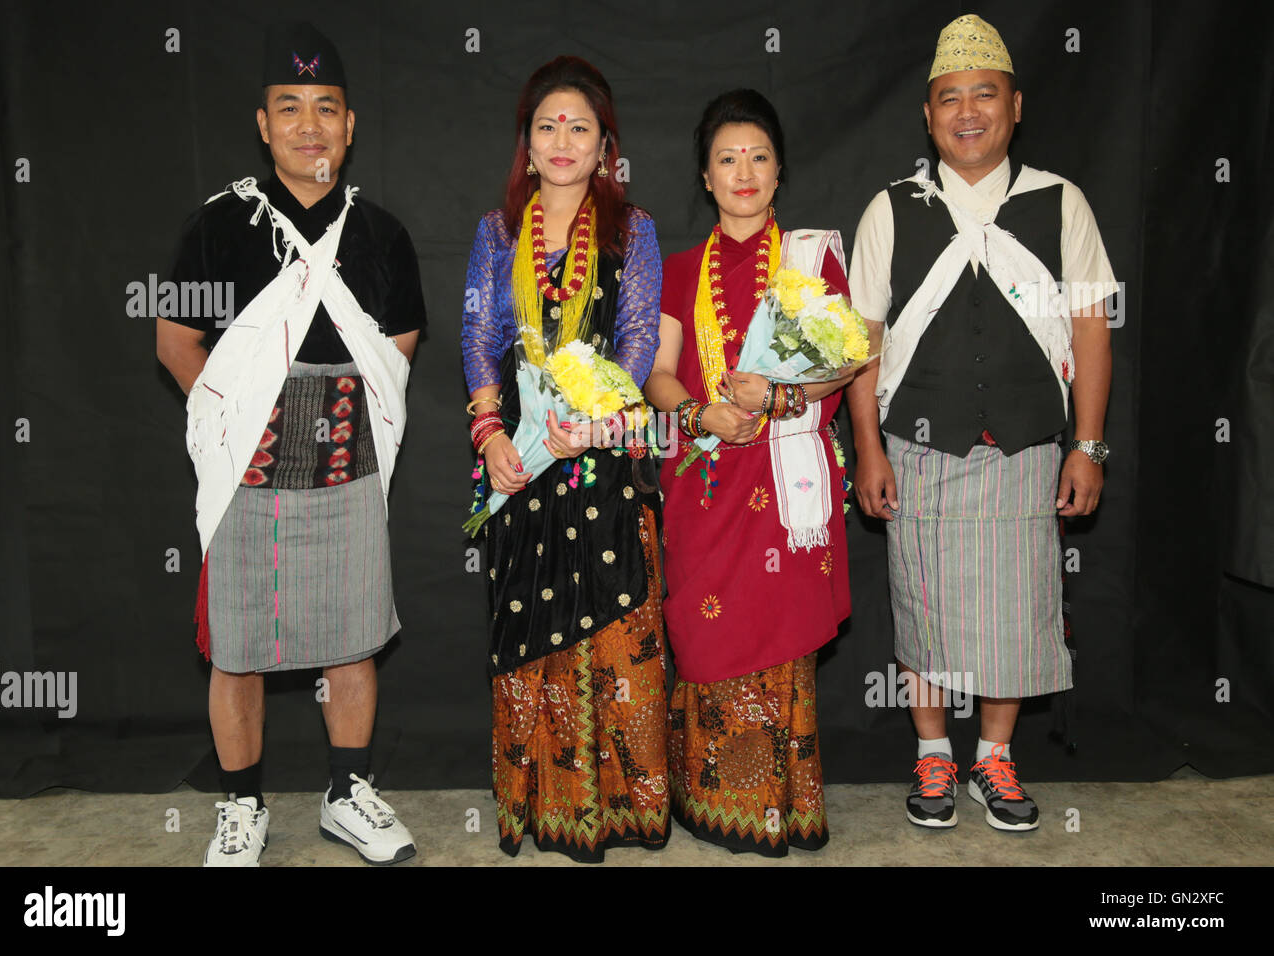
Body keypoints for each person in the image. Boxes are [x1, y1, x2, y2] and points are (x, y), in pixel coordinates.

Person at [156, 21, 425, 865]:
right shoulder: (216, 228)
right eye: (290, 107)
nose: (310, 125)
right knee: (237, 644)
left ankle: (348, 793)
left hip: (347, 459)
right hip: (247, 467)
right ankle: (242, 806)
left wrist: (341, 408)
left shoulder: (381, 235)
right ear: (264, 124)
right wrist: (239, 419)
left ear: (349, 127)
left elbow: (399, 345)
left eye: (326, 109)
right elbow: (175, 340)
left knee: (352, 635)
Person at [846, 14, 1116, 831]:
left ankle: (995, 758)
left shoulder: (1059, 202)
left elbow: (1091, 329)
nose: (968, 112)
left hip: (1029, 446)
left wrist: (1089, 445)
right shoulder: (891, 210)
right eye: (949, 99)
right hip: (917, 447)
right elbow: (862, 342)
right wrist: (865, 449)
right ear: (928, 117)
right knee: (921, 604)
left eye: (985, 95)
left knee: (1020, 609)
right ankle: (934, 756)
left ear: (1015, 105)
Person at [461, 55, 669, 863]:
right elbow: (479, 339)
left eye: (579, 127)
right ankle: (540, 808)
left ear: (604, 145)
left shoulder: (631, 230)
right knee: (530, 639)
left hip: (604, 457)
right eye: (547, 125)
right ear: (527, 141)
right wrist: (492, 434)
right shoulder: (497, 232)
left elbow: (640, 338)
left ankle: (622, 812)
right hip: (520, 461)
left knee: (619, 637)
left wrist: (597, 415)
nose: (562, 140)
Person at [644, 90, 856, 856]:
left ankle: (783, 805)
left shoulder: (812, 259)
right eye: (727, 158)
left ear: (779, 171)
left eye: (759, 157)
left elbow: (843, 365)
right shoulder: (677, 268)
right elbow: (659, 375)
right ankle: (716, 802)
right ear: (705, 175)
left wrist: (779, 396)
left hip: (787, 476)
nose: (744, 171)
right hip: (705, 479)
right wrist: (703, 416)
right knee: (706, 636)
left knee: (780, 633)